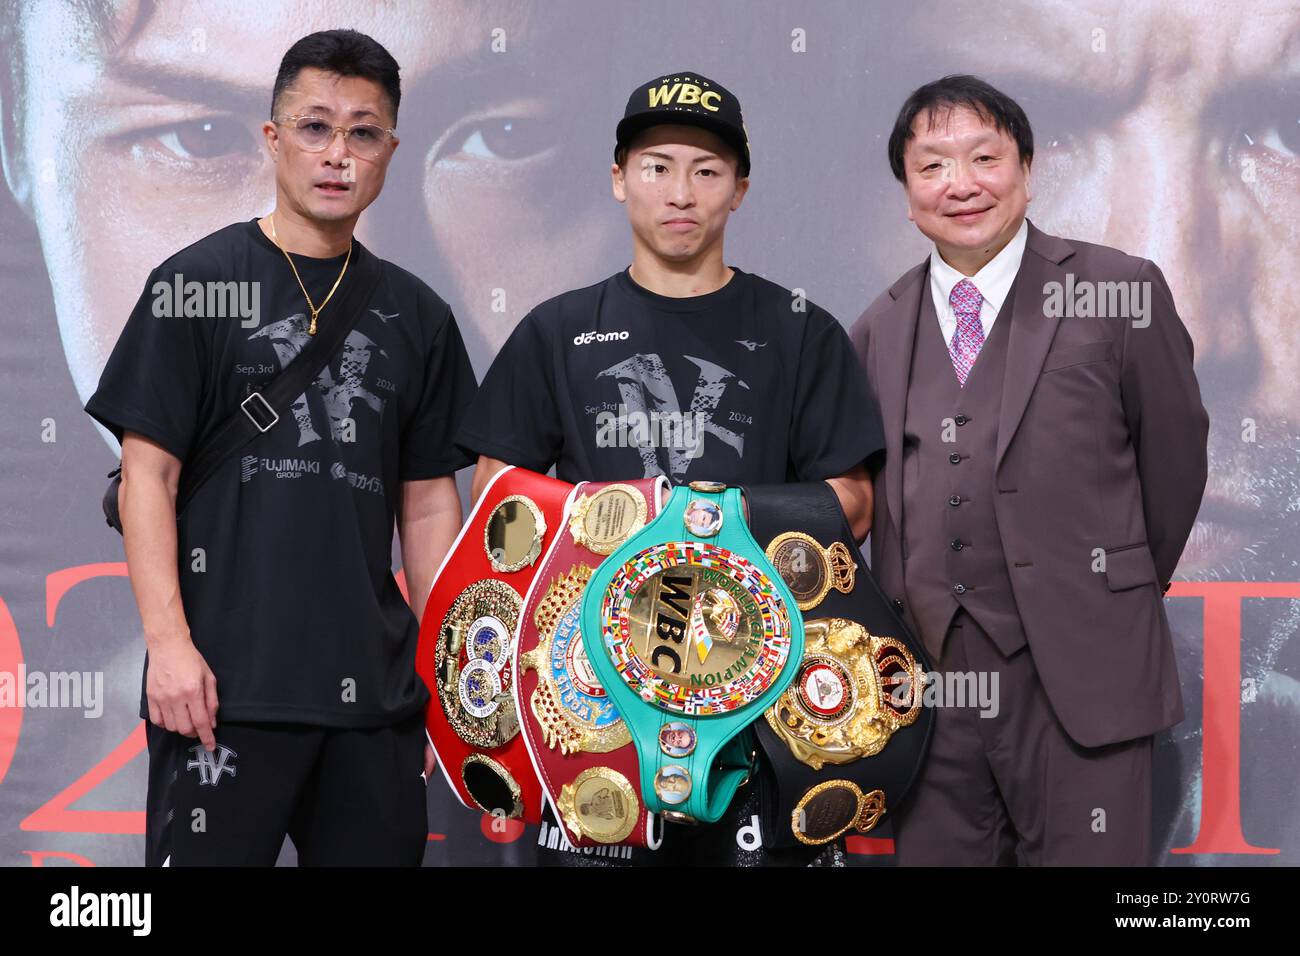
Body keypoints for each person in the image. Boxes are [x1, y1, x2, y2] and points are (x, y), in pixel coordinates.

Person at [456, 71, 884, 866]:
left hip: (760, 701)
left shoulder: (800, 332)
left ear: (740, 190)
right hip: (595, 703)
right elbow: (497, 497)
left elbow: (852, 502)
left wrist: (704, 534)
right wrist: (621, 537)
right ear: (619, 181)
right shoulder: (558, 330)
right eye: (657, 166)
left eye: (707, 170)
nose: (680, 191)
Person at [83, 30, 477, 866]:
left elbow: (430, 500)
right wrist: (170, 649)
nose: (338, 154)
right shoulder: (194, 284)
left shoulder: (419, 316)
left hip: (373, 700)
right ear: (272, 139)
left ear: (390, 151)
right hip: (220, 691)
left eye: (363, 133)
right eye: (314, 127)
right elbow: (147, 477)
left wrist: (441, 667)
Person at [850, 75, 1209, 865]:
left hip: (1087, 671)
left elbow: (1175, 460)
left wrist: (1109, 586)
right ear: (907, 194)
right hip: (930, 689)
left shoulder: (1118, 290)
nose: (962, 184)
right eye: (934, 166)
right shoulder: (877, 328)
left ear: (1026, 167)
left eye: (985, 157)